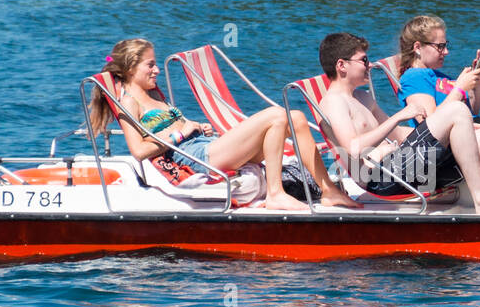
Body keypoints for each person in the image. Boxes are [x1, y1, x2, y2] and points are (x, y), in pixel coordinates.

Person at [91, 39, 358, 211]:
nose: (157, 70)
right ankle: (275, 193)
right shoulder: (128, 102)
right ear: (130, 69)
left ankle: (329, 191)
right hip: (196, 159)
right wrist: (180, 134)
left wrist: (193, 125)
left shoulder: (154, 94)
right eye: (150, 65)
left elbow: (178, 125)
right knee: (277, 114)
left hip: (205, 146)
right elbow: (138, 151)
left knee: (296, 118)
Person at [316, 32, 480, 214]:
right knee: (456, 110)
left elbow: (399, 134)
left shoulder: (362, 97)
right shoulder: (334, 103)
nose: (369, 64)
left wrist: (455, 130)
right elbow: (354, 149)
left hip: (400, 165)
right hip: (379, 180)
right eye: (364, 60)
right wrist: (398, 116)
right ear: (341, 65)